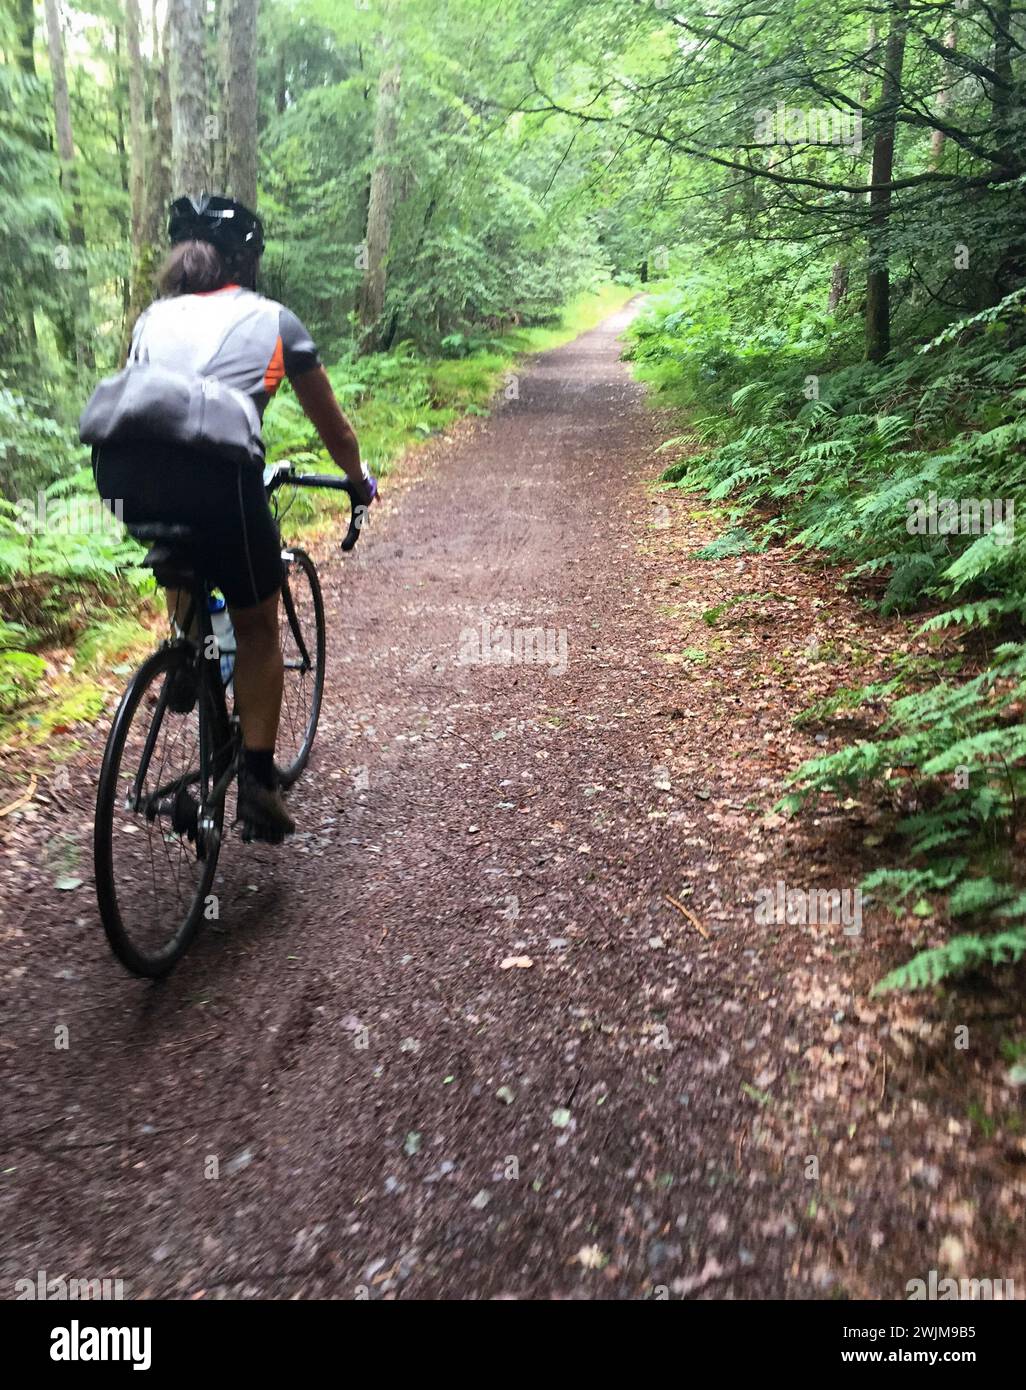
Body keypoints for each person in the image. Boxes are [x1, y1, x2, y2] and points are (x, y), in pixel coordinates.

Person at [92, 194, 376, 842]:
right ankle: (256, 782)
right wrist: (358, 482)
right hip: (218, 478)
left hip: (120, 475)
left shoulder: (150, 318)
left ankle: (188, 653)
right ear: (247, 261)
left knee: (176, 543)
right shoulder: (275, 320)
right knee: (256, 624)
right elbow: (334, 427)